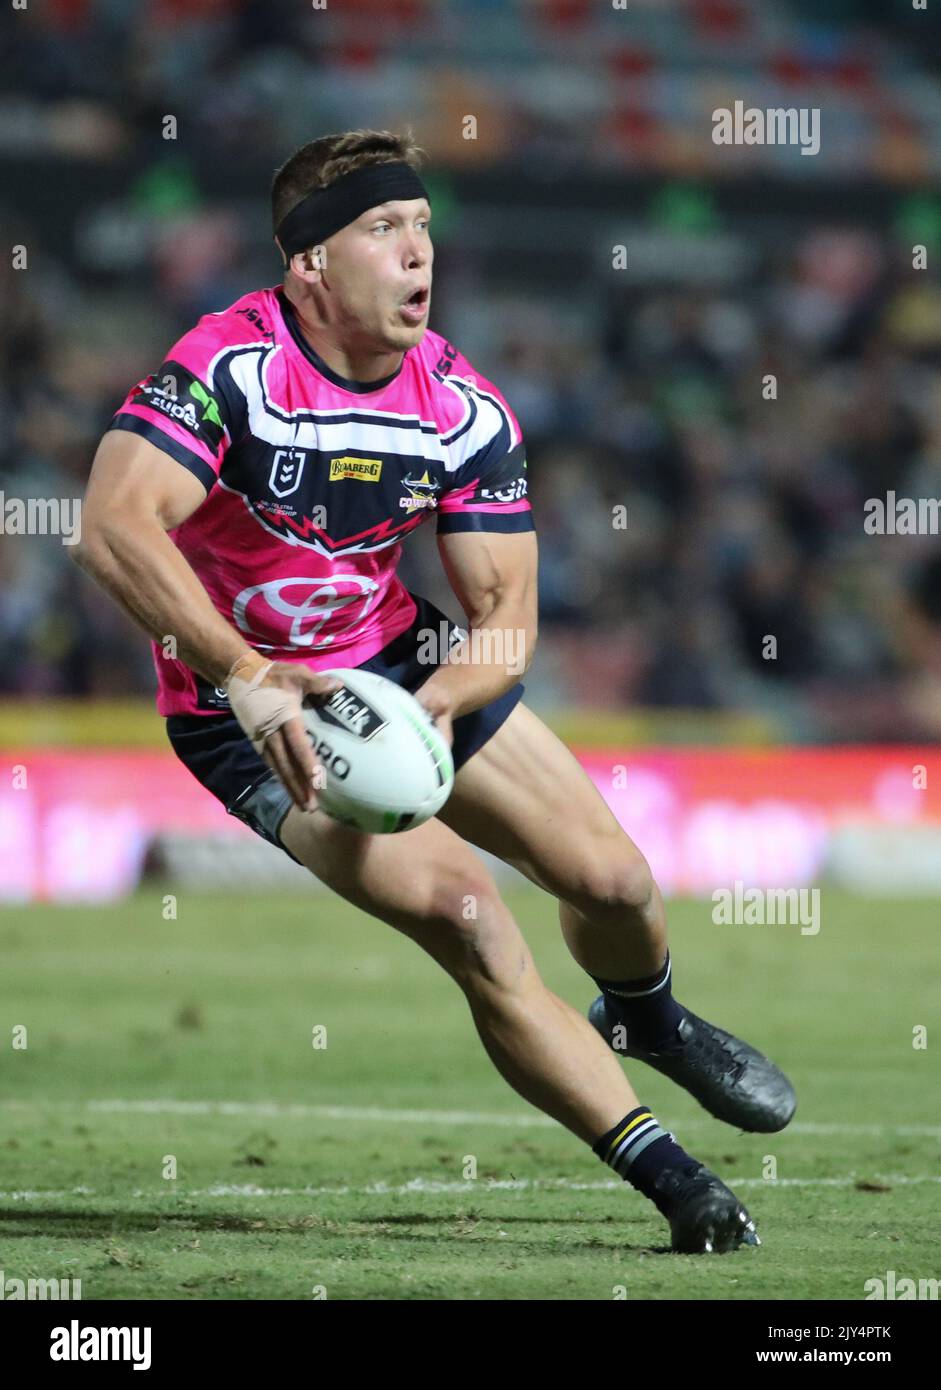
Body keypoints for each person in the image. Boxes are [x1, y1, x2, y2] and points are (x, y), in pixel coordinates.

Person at [73, 128, 795, 1255]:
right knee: (469, 917)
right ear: (308, 263)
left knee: (613, 880)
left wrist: (442, 704)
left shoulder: (461, 405)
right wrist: (248, 677)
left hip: (402, 666)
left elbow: (506, 614)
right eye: (383, 230)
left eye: (422, 229)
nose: (418, 254)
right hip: (247, 712)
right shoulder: (228, 372)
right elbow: (111, 527)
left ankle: (646, 1018)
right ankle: (679, 1183)